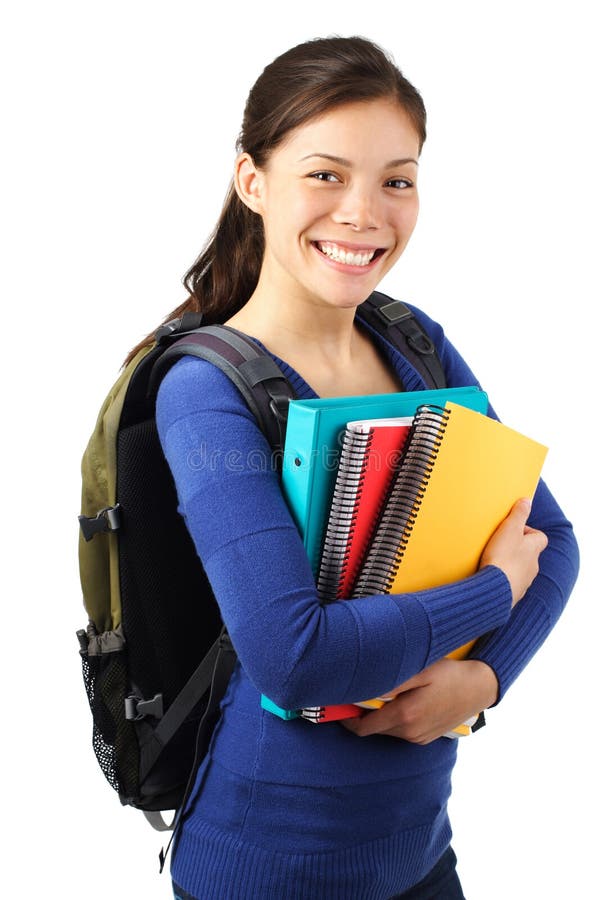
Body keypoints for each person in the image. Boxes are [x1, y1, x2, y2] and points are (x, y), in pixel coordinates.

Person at [145, 36, 579, 899]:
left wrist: (482, 678)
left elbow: (554, 539)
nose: (363, 213)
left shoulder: (414, 343)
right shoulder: (204, 393)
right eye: (325, 175)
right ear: (252, 182)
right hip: (266, 871)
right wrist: (493, 593)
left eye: (397, 179)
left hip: (419, 854)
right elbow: (296, 658)